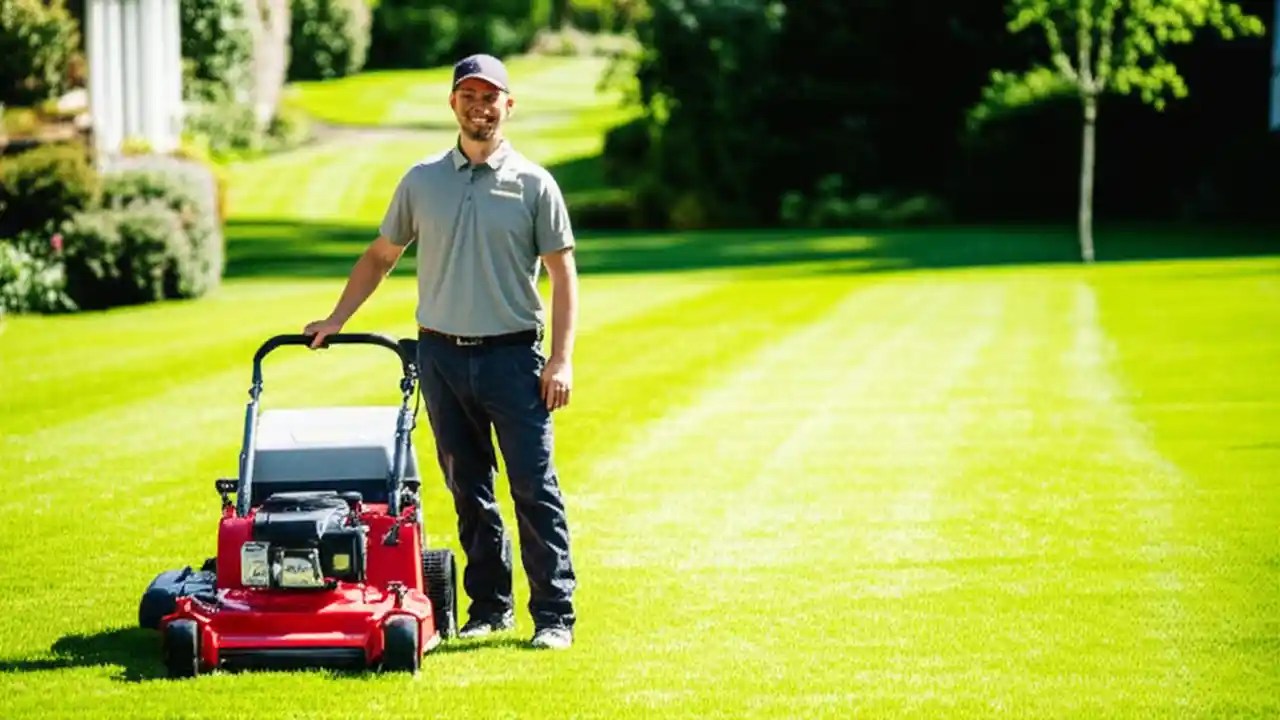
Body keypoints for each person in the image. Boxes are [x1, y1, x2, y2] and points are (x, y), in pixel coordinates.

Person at [302, 53, 579, 650]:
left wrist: (561, 359)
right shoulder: (421, 180)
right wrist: (337, 318)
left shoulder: (535, 184)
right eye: (469, 96)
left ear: (509, 105)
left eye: (491, 97)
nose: (481, 108)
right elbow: (381, 256)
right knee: (468, 491)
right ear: (453, 103)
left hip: (514, 360)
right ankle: (490, 609)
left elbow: (563, 274)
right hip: (441, 359)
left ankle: (554, 616)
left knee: (534, 488)